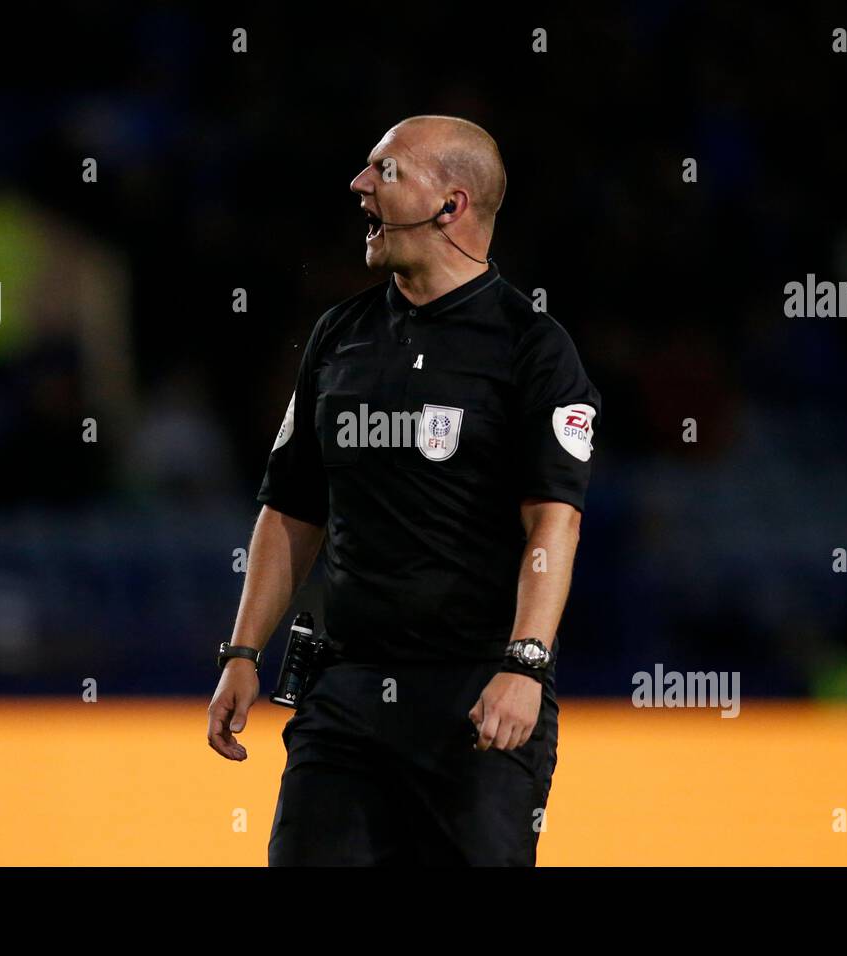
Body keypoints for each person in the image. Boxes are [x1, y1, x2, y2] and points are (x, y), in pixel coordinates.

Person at [207, 115, 600, 865]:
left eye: (383, 171)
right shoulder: (338, 337)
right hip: (345, 696)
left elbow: (555, 523)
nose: (359, 186)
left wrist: (524, 664)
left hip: (479, 699)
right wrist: (241, 650)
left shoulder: (533, 348)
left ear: (450, 205)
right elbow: (291, 509)